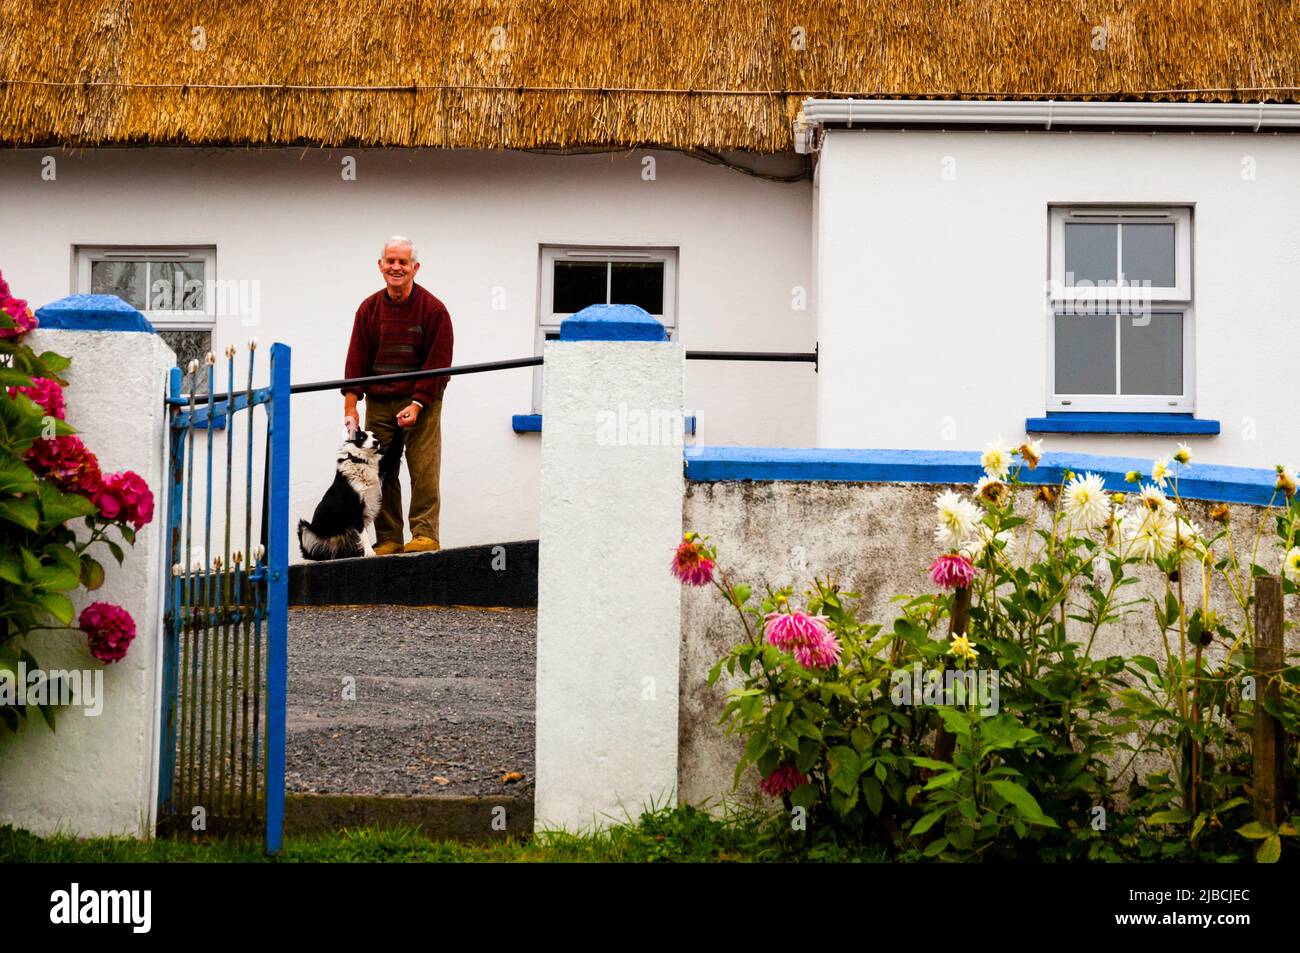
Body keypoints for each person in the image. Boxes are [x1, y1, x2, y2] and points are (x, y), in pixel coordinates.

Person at [342, 236, 453, 554]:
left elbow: (439, 365)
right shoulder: (368, 309)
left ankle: (424, 534)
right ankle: (389, 537)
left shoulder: (434, 310)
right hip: (379, 400)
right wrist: (351, 408)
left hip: (423, 400)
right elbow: (356, 363)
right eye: (390, 261)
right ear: (380, 266)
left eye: (403, 262)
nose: (396, 267)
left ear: (415, 268)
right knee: (380, 468)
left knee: (424, 467)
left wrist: (418, 403)